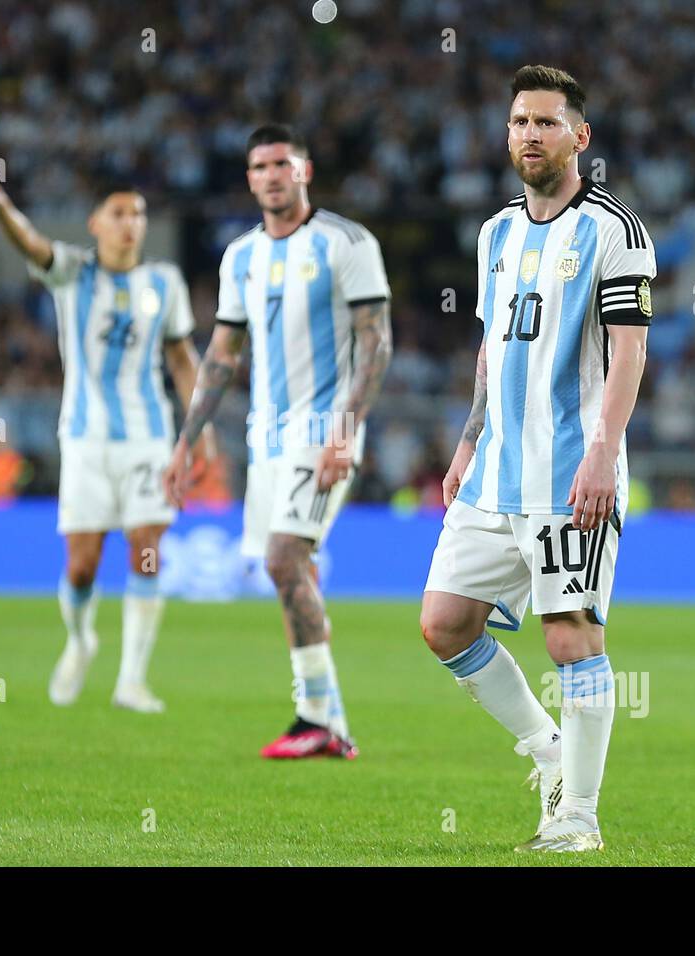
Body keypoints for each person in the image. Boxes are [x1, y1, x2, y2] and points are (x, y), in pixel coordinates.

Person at [419, 66, 655, 851]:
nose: (530, 134)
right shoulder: (495, 232)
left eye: (547, 123)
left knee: (570, 636)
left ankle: (579, 817)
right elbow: (491, 352)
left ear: (579, 137)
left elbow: (629, 355)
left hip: (569, 473)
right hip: (494, 473)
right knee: (444, 624)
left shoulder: (615, 231)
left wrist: (602, 454)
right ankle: (547, 750)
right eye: (520, 121)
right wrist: (466, 441)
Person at [164, 125, 393, 759]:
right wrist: (187, 440)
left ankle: (317, 717)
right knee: (295, 570)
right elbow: (221, 353)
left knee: (283, 558)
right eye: (259, 165)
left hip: (325, 432)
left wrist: (346, 431)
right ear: (249, 178)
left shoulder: (348, 242)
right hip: (265, 438)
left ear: (305, 170)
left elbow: (377, 341)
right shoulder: (239, 256)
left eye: (281, 163)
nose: (270, 174)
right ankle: (328, 719)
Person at [0, 166, 211, 713]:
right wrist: (1, 208)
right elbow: (32, 244)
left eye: (139, 214)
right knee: (82, 564)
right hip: (84, 438)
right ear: (95, 222)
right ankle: (81, 640)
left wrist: (201, 427)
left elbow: (181, 358)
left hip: (150, 437)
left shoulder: (164, 283)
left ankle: (132, 678)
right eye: (120, 213)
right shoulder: (72, 273)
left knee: (146, 550)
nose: (131, 224)